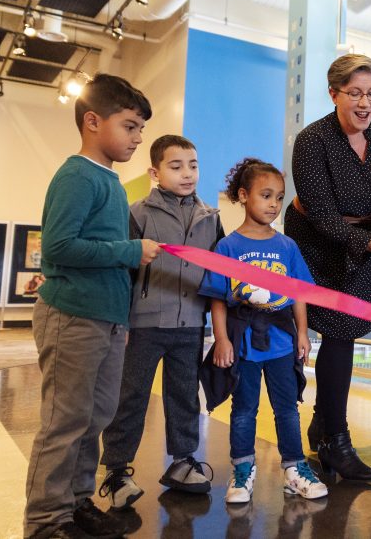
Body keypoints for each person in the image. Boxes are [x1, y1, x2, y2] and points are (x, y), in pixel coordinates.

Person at [24, 74, 160, 539]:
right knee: (65, 421)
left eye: (141, 129)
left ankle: (77, 502)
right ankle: (45, 520)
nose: (137, 138)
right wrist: (129, 252)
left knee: (94, 418)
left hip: (107, 320)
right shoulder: (78, 175)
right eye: (130, 126)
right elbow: (59, 248)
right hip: (73, 317)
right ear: (92, 121)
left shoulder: (110, 182)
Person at [284, 54, 371, 482]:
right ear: (334, 94)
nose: (365, 103)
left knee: (347, 335)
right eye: (355, 93)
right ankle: (335, 441)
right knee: (338, 333)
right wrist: (370, 242)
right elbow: (322, 214)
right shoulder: (312, 141)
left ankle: (323, 424)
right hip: (319, 246)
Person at [98, 135, 222, 509]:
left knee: (185, 395)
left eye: (193, 165)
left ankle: (182, 462)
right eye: (176, 165)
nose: (187, 173)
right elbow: (123, 273)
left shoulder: (210, 218)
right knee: (130, 396)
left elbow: (217, 276)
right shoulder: (138, 213)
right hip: (144, 325)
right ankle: (117, 470)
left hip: (190, 326)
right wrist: (120, 324)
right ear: (155, 172)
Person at [199, 158, 327, 504]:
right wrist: (222, 339)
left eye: (279, 197)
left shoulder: (287, 247)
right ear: (243, 195)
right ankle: (242, 471)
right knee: (243, 411)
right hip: (243, 345)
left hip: (282, 343)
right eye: (265, 195)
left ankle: (294, 469)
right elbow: (218, 301)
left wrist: (302, 333)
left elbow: (299, 293)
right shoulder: (228, 247)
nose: (273, 204)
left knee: (287, 409)